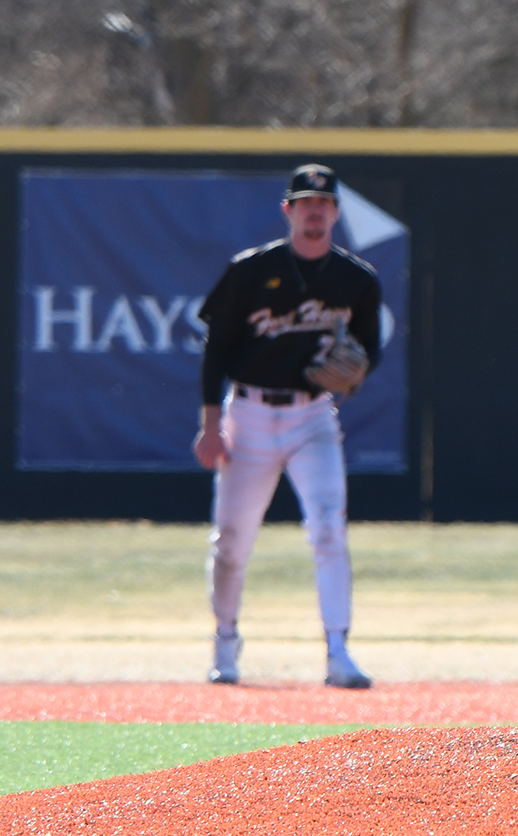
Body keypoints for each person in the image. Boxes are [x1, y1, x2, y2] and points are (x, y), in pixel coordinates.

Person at [192, 164, 383, 689]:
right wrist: (212, 424)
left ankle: (338, 652)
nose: (315, 211)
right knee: (231, 540)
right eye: (305, 203)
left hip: (311, 416)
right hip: (249, 415)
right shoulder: (251, 271)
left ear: (336, 213)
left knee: (328, 529)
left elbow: (370, 353)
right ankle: (225, 642)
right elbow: (217, 351)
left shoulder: (357, 280)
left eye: (323, 204)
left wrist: (352, 373)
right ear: (288, 211)